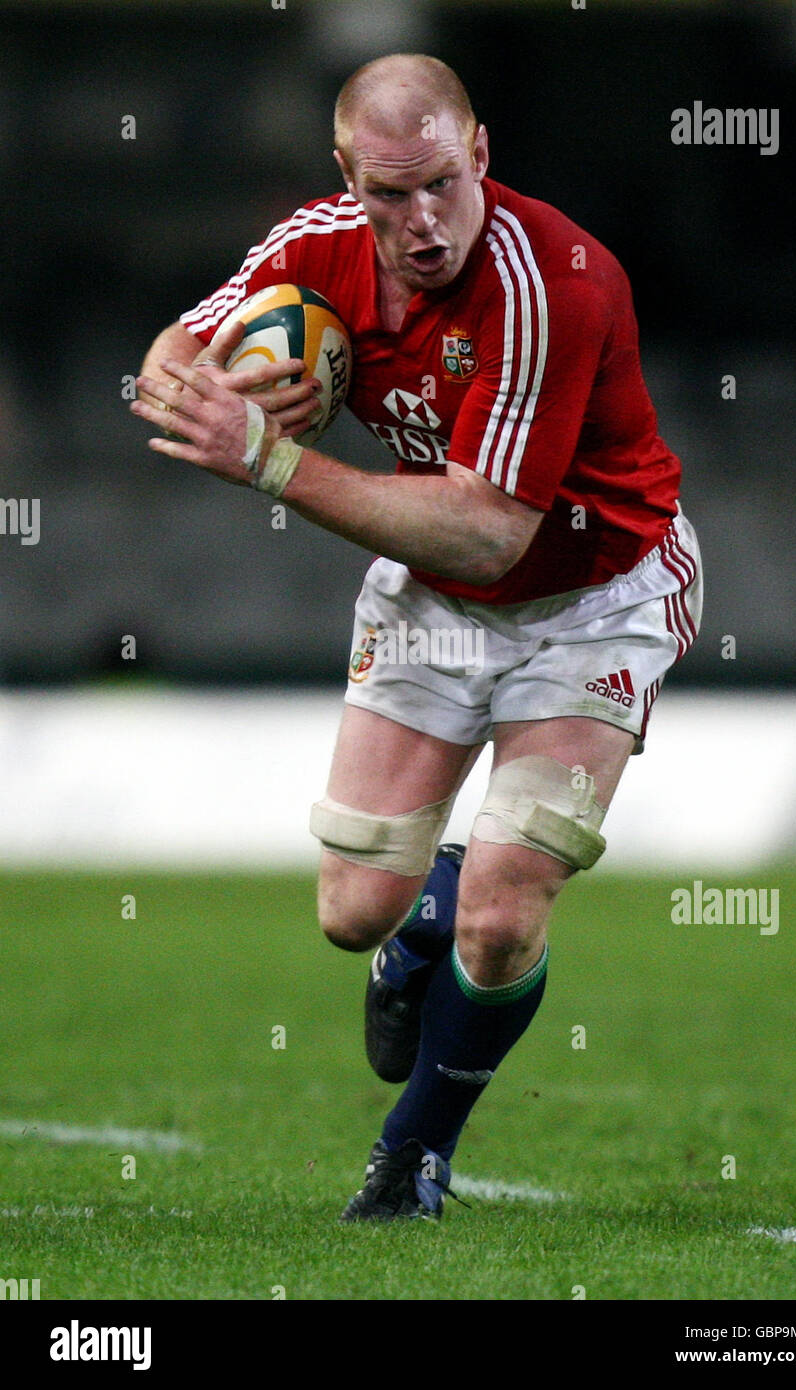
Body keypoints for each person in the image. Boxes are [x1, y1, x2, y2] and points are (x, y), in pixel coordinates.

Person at [131, 53, 702, 1223]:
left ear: (479, 151)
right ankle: (416, 923)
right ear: (348, 177)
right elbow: (165, 368)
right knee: (353, 914)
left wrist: (275, 459)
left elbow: (492, 534)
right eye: (388, 195)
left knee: (502, 914)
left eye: (440, 182)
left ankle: (410, 1160)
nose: (421, 220)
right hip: (434, 602)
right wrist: (216, 392)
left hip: (595, 595)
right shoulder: (312, 247)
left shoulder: (554, 280)